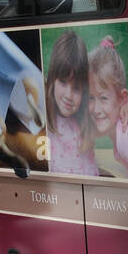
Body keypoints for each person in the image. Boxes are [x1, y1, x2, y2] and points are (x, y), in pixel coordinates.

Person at [44, 31, 98, 175]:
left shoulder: (84, 120)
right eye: (62, 82)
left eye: (76, 88)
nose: (68, 95)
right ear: (52, 79)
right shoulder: (43, 112)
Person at [87, 37, 128, 178]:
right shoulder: (118, 131)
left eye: (103, 98)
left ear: (122, 98)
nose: (96, 109)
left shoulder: (127, 143)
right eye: (90, 98)